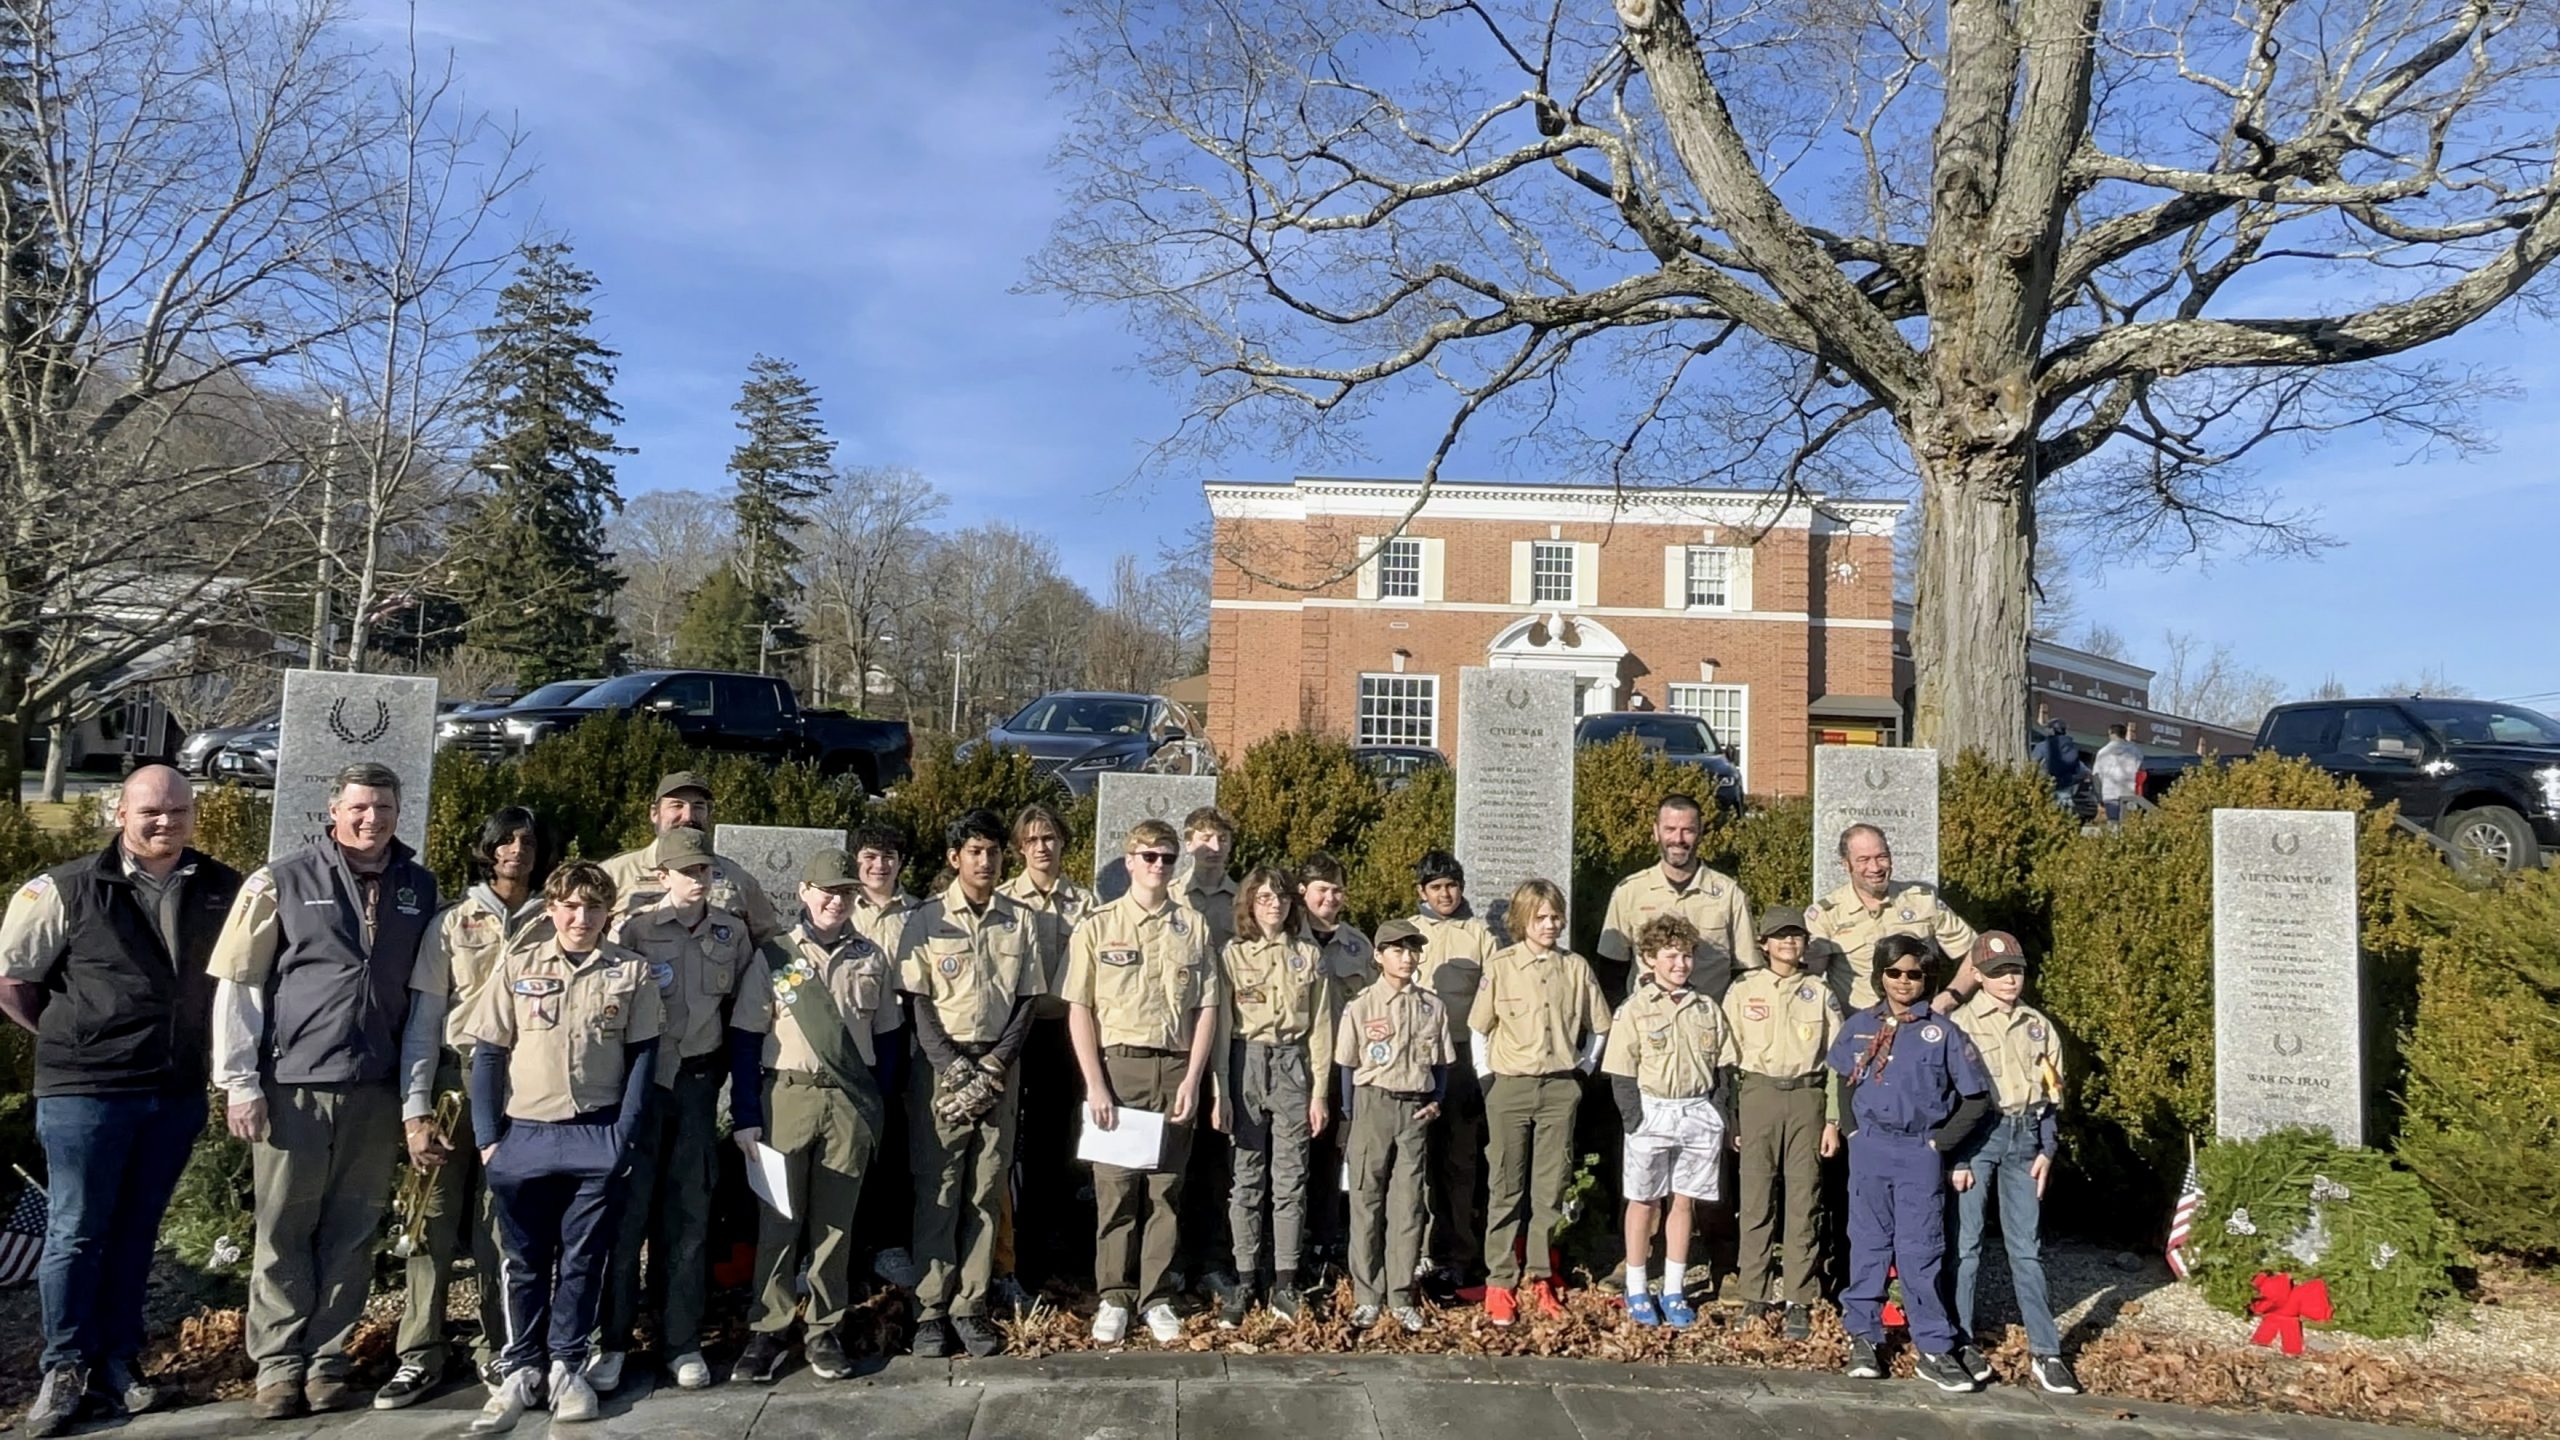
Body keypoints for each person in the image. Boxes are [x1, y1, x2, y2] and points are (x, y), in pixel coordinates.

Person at [0, 766, 240, 1435]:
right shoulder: (64, 889)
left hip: (173, 1091)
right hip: (86, 1092)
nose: (166, 823)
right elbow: (14, 986)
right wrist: (82, 1034)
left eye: (179, 811)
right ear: (121, 814)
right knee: (76, 1232)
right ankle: (65, 1368)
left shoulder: (222, 887)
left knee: (136, 1234)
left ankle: (119, 1364)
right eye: (151, 812)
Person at [208, 762, 437, 1419]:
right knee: (285, 1229)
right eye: (361, 807)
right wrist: (240, 1082)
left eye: (385, 808)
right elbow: (240, 986)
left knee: (352, 1232)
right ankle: (279, 1367)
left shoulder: (418, 885)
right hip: (294, 1085)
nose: (373, 819)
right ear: (334, 811)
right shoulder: (279, 879)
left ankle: (327, 1361)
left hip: (374, 1085)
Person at [463, 862, 661, 1432]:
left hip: (595, 1134)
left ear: (609, 914)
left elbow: (643, 1057)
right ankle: (520, 1365)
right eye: (571, 907)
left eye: (594, 908)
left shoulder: (631, 973)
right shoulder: (520, 965)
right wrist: (487, 1141)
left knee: (583, 1258)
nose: (581, 918)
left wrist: (622, 1136)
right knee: (523, 1260)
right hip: (524, 1134)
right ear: (552, 910)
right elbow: (490, 1053)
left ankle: (567, 1364)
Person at [381, 807, 553, 1410]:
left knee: (499, 1227)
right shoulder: (452, 923)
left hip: (520, 1088)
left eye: (527, 841)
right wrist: (415, 1107)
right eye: (503, 840)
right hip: (455, 1083)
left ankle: (497, 1345)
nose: (515, 850)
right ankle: (419, 1353)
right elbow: (425, 1023)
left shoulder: (553, 920)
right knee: (429, 1221)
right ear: (485, 849)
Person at [727, 849, 905, 1386]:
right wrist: (745, 1114)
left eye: (847, 892)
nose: (836, 900)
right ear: (804, 892)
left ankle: (824, 1327)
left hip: (847, 1103)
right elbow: (744, 1037)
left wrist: (876, 1101)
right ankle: (770, 1326)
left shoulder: (871, 956)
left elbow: (890, 1038)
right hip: (787, 1095)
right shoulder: (776, 956)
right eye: (827, 890)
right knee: (779, 1220)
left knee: (835, 1225)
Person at [593, 827, 757, 1393]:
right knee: (627, 1215)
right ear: (662, 876)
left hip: (697, 1086)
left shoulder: (730, 933)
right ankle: (611, 1341)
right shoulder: (636, 931)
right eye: (687, 872)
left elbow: (742, 1009)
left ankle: (680, 1342)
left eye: (705, 871)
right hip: (642, 1086)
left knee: (688, 1216)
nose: (698, 881)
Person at [1064, 819, 1223, 1347]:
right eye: (1149, 856)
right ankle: (1113, 1294)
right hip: (1119, 1066)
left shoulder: (1192, 926)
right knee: (1116, 1191)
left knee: (1167, 1191)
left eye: (1167, 858)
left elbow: (1206, 1008)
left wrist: (1194, 1078)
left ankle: (1156, 1296)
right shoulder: (1099, 925)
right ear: (1129, 860)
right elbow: (1080, 1009)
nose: (1158, 865)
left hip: (1174, 1067)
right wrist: (1095, 1084)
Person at [899, 809, 1043, 1360]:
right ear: (954, 858)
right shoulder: (927, 919)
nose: (985, 862)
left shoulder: (1019, 920)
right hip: (941, 1070)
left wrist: (992, 1068)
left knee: (985, 1188)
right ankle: (931, 1309)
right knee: (938, 1186)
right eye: (974, 852)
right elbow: (918, 1001)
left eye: (993, 852)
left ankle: (971, 1304)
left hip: (998, 1068)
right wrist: (955, 1069)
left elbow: (1027, 999)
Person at [1826, 934, 1992, 1393]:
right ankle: (1863, 1335)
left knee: (1921, 1251)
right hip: (1870, 1150)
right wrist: (1852, 1130)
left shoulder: (1942, 1033)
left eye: (1913, 974)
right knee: (1868, 1243)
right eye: (1894, 972)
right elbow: (1844, 1079)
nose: (1903, 981)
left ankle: (1934, 1345)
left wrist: (1939, 1145)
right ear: (1880, 976)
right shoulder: (1860, 1025)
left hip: (1918, 1151)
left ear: (1926, 978)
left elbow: (1976, 1098)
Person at [1468, 878, 1610, 1326]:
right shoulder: (1503, 965)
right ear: (1522, 920)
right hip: (1510, 1086)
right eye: (1541, 917)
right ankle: (1499, 1280)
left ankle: (1541, 1275)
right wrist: (1486, 1077)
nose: (1550, 925)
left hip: (1559, 1088)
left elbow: (1601, 1025)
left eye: (1555, 917)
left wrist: (1584, 1070)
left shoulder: (1576, 968)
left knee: (1550, 1188)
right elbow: (1479, 1026)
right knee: (1505, 1186)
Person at [1947, 933, 2081, 1395]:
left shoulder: (2037, 1025)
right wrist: (1958, 1155)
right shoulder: (1961, 1023)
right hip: (1979, 1136)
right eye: (1999, 971)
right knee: (1966, 1245)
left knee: (2026, 1248)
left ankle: (2047, 1352)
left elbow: (2051, 1095)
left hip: (2025, 1138)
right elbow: (1950, 1096)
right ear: (1979, 976)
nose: (2009, 979)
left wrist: (2047, 1149)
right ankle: (1959, 1342)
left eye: (2016, 970)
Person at [1213, 866, 1337, 1327]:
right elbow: (1222, 1029)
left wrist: (1319, 1093)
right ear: (1249, 902)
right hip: (1246, 1060)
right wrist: (1220, 1091)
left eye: (1282, 897)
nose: (1274, 905)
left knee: (1291, 1177)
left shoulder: (1307, 954)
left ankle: (1285, 1279)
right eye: (1264, 897)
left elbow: (1321, 1028)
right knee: (1246, 1178)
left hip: (1292, 1065)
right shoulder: (1232, 954)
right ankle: (1246, 1278)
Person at [1720, 905, 1844, 1340]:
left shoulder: (1819, 991)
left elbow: (1836, 1061)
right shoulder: (1744, 989)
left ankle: (1799, 1296)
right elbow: (1728, 1056)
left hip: (1807, 1097)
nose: (1789, 943)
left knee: (1804, 1200)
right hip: (1758, 1095)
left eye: (1796, 936)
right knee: (1755, 1199)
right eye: (1780, 936)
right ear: (1764, 944)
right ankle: (1754, 1291)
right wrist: (1732, 1113)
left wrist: (1832, 1119)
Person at [1603, 913, 1732, 1329]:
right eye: (1672, 956)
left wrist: (1717, 1109)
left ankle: (1674, 1287)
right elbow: (1622, 1071)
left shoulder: (1706, 1007)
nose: (1681, 964)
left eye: (1688, 956)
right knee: (1643, 1200)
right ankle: (1638, 1286)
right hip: (1652, 1110)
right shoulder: (1634, 1009)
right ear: (1650, 959)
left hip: (1696, 1110)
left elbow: (1723, 1065)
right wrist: (1634, 1119)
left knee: (1684, 1200)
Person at [1335, 918, 1450, 1332]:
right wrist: (1350, 1116)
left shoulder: (1431, 1006)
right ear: (1379, 956)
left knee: (1408, 1204)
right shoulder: (1362, 1005)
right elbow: (1347, 1066)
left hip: (1414, 1107)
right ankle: (1367, 1295)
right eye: (1398, 950)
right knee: (1366, 1202)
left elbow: (1440, 1064)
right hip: (1373, 1103)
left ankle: (1401, 1294)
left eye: (1413, 950)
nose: (1407, 957)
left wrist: (1436, 1100)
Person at [995, 802, 1091, 1301]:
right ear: (1018, 849)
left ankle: (1053, 1252)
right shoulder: (1005, 899)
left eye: (1050, 837)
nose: (1042, 847)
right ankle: (1014, 1258)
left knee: (1058, 1147)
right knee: (1011, 1146)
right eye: (1031, 840)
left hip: (1065, 1031)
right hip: (1016, 1030)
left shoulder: (1083, 901)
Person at [1410, 849, 1497, 1294]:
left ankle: (1457, 1255)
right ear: (1422, 891)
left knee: (1459, 1163)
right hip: (1416, 1059)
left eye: (1452, 885)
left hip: (1461, 1058)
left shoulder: (1479, 933)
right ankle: (1413, 1251)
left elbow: (1490, 995)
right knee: (1412, 1160)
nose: (1445, 894)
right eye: (1436, 887)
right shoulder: (1408, 932)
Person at [846, 821, 923, 1291]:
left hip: (902, 1043)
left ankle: (890, 1245)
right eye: (871, 855)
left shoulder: (918, 913)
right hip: (849, 1045)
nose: (880, 865)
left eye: (890, 856)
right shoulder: (838, 908)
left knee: (892, 1149)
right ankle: (846, 1247)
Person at [1595, 796, 1756, 1001]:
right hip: (1646, 1022)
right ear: (1656, 832)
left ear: (1700, 834)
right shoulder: (1630, 892)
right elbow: (1611, 971)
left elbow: (1746, 972)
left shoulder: (1730, 895)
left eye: (1687, 830)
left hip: (1709, 1021)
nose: (1678, 839)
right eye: (1670, 829)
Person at [1805, 825, 1981, 1013]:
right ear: (1846, 864)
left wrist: (1949, 999)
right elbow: (1808, 979)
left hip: (1920, 1024)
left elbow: (1977, 951)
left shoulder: (1921, 901)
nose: (1875, 867)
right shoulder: (1827, 914)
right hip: (1860, 1028)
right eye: (1863, 860)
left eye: (1882, 857)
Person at [1296, 851, 1372, 1276]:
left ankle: (1326, 1243)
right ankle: (1286, 1245)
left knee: (1334, 1158)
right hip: (1294, 1065)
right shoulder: (1284, 938)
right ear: (1303, 891)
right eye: (1322, 889)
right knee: (1289, 1161)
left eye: (1338, 889)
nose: (1331, 898)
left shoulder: (1358, 945)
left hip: (1344, 1069)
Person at [597, 771, 783, 943]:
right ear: (655, 813)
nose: (688, 816)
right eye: (677, 806)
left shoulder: (737, 878)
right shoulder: (614, 874)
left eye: (698, 806)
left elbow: (768, 943)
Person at [2091, 724, 2142, 823]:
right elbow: (2140, 772)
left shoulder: (2103, 752)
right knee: (2128, 824)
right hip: (2129, 793)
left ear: (2111, 733)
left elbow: (2096, 775)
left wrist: (2099, 797)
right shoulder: (2135, 751)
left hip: (2109, 793)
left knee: (2113, 824)